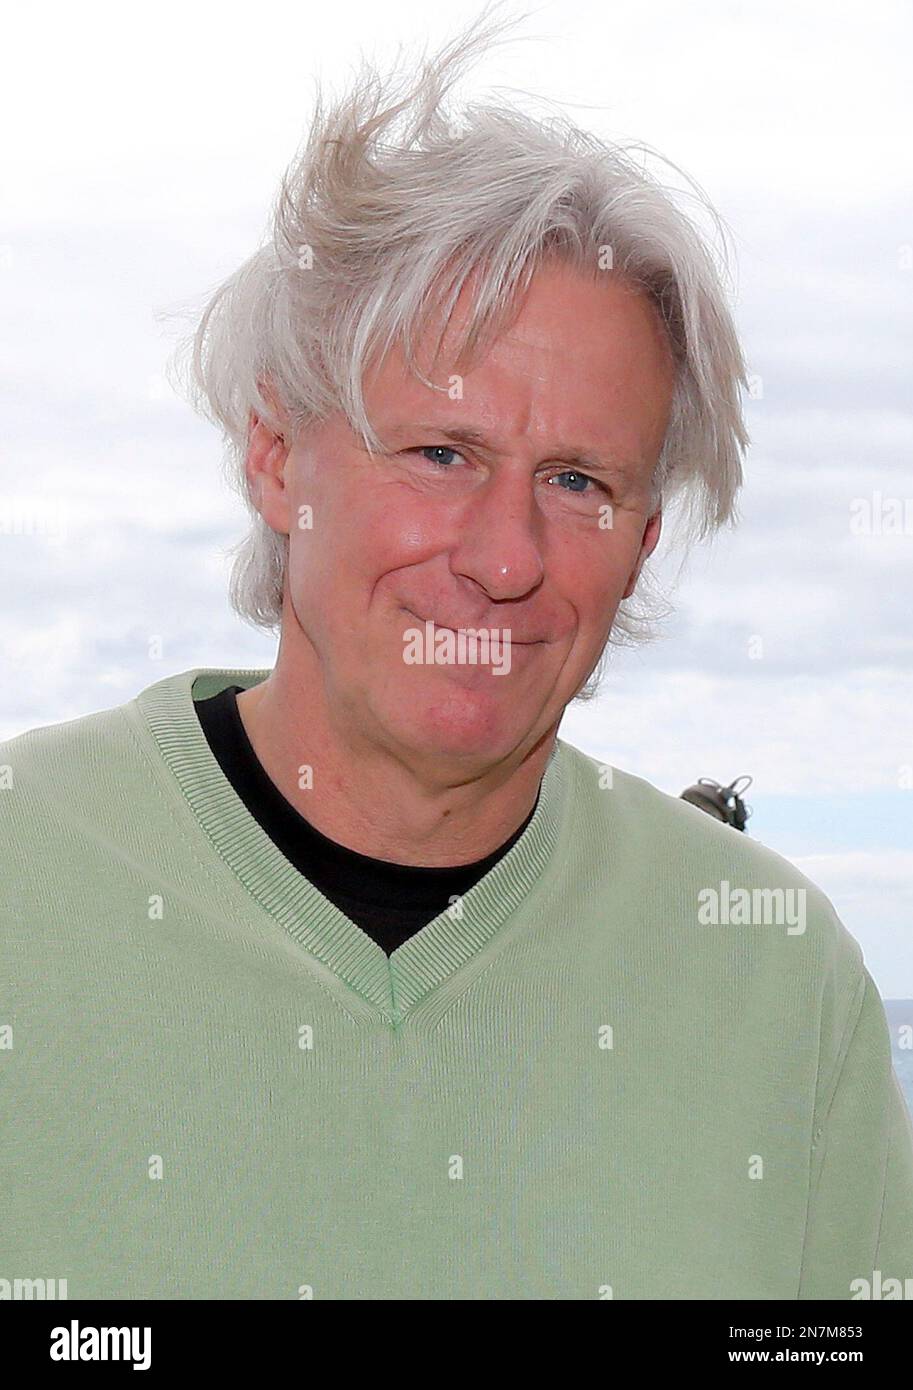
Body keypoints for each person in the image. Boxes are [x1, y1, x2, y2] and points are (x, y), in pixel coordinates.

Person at [2, 12, 911, 1300]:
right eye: (442, 455)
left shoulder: (778, 982)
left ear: (644, 543)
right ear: (275, 459)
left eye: (579, 481)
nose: (504, 556)